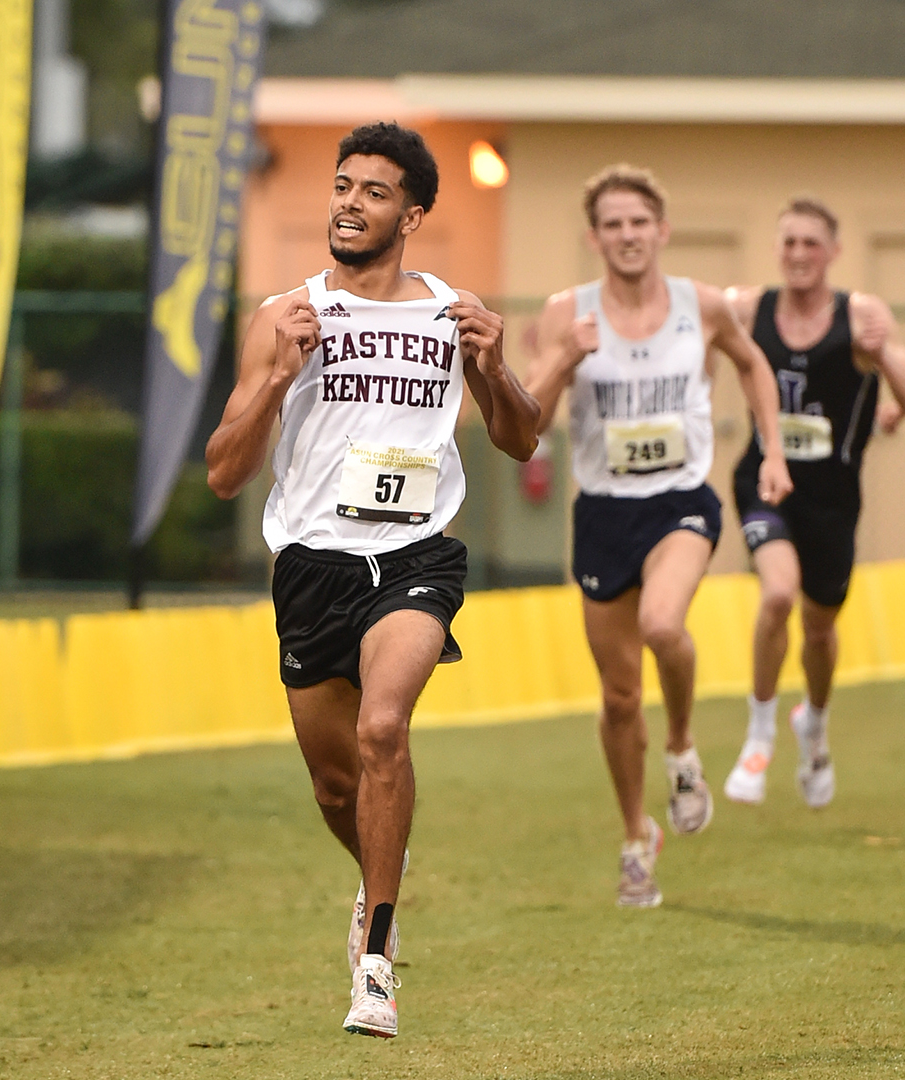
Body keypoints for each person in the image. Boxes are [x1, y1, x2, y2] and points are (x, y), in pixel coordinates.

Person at [203, 122, 540, 1038]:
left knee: (384, 725)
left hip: (418, 555)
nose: (350, 202)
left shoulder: (450, 313)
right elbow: (226, 473)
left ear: (414, 214)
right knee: (333, 786)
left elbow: (519, 437)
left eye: (374, 192)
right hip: (312, 564)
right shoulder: (283, 315)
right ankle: (371, 885)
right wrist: (276, 379)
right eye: (342, 186)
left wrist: (494, 365)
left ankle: (379, 961)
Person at [523, 164, 791, 908]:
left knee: (662, 624)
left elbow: (754, 365)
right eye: (612, 224)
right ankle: (637, 836)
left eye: (639, 222)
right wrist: (560, 359)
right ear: (594, 237)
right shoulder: (564, 314)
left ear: (661, 231)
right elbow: (527, 424)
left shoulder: (700, 305)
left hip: (680, 499)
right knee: (615, 698)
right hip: (603, 511)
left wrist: (771, 450)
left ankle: (679, 748)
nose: (628, 235)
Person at [717, 198, 905, 809]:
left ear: (834, 252)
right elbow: (687, 321)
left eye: (811, 243)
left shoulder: (860, 312)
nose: (798, 254)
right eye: (789, 243)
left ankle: (813, 723)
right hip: (765, 481)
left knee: (818, 629)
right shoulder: (747, 307)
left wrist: (884, 351)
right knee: (778, 593)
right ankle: (759, 736)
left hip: (834, 498)